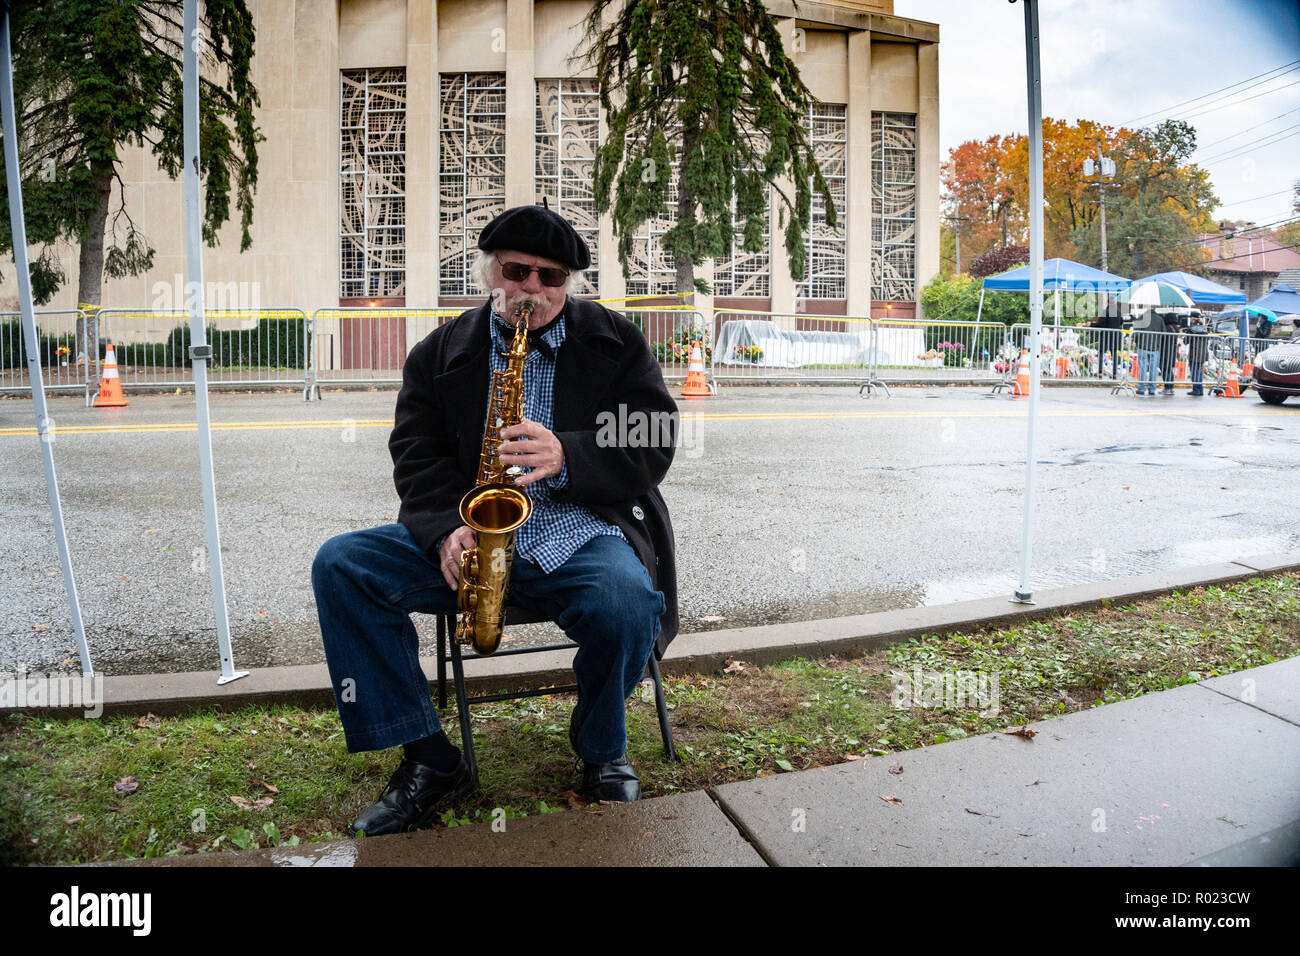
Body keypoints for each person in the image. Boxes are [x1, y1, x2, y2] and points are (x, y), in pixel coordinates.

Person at [311, 204, 679, 836]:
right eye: (518, 271)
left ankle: (600, 747)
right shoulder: (440, 351)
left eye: (552, 277)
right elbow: (416, 455)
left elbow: (654, 435)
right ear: (490, 272)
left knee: (627, 604)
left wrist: (570, 453)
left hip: (580, 529)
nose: (533, 289)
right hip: (469, 531)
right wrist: (441, 530)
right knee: (342, 565)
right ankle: (429, 759)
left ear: (569, 283)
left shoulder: (616, 340)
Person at [1131, 307, 1165, 395]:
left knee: (1143, 368)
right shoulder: (1160, 319)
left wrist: (1137, 342)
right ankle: (1152, 389)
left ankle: (1141, 388)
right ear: (1155, 308)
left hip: (1143, 347)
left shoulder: (1142, 317)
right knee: (1153, 369)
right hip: (1155, 348)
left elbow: (1136, 332)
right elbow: (1164, 333)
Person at [1185, 309, 1208, 397]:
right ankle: (1200, 389)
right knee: (1199, 372)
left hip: (1194, 353)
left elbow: (1186, 341)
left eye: (1190, 317)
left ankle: (1196, 389)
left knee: (1194, 371)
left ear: (1192, 318)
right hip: (1202, 353)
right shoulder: (1204, 328)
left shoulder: (1192, 328)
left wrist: (1187, 332)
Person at [1157, 311, 1179, 394]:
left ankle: (1167, 387)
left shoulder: (1166, 328)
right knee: (1169, 369)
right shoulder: (1176, 328)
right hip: (1172, 351)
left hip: (1165, 350)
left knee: (1164, 369)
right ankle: (1171, 388)